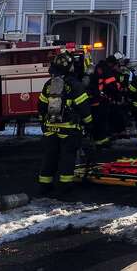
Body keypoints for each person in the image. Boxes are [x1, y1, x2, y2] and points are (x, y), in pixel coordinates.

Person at [37, 51, 93, 194]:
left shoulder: (49, 84)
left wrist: (43, 123)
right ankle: (65, 186)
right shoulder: (75, 85)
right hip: (68, 130)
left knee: (50, 157)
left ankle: (44, 184)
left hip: (50, 128)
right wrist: (89, 123)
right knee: (67, 157)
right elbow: (84, 107)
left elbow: (42, 107)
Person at [88, 55, 123, 147]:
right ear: (111, 63)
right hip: (102, 100)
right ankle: (102, 141)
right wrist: (118, 96)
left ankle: (97, 140)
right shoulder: (107, 70)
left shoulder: (97, 68)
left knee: (96, 121)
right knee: (102, 121)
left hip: (94, 99)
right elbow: (112, 85)